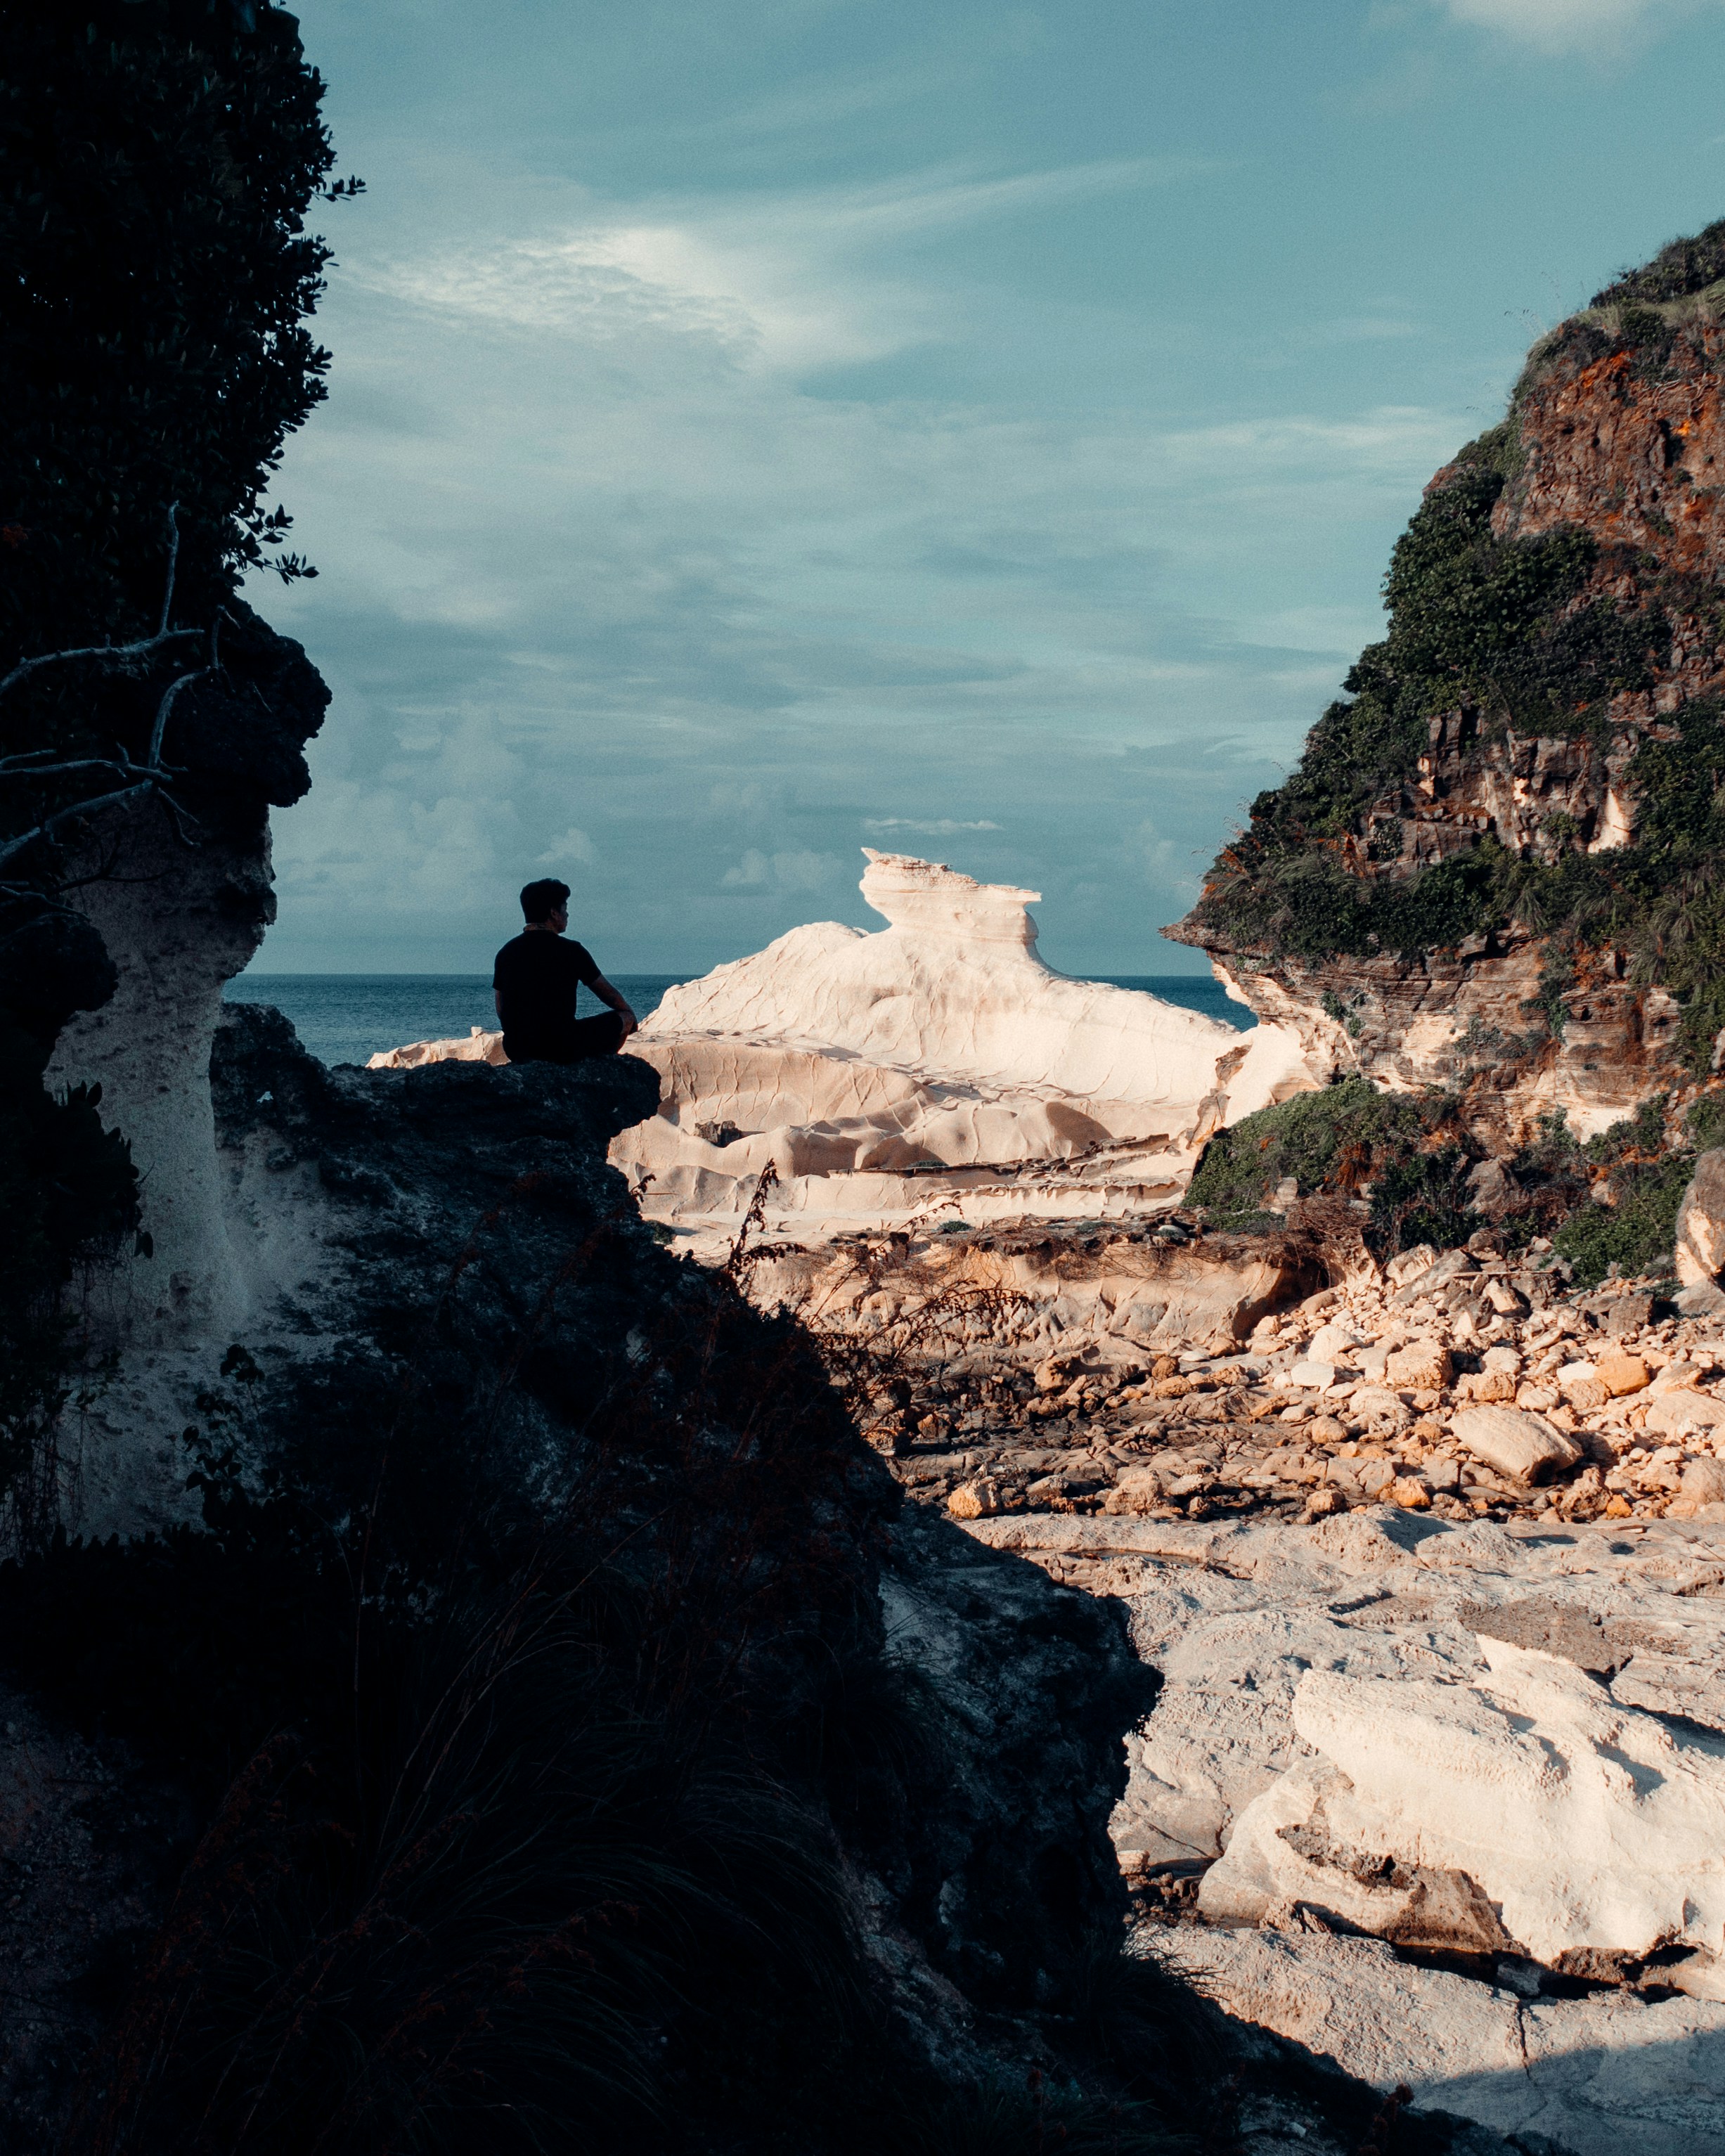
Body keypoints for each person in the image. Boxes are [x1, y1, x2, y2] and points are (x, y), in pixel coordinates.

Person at [492, 879, 639, 1064]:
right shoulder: (572, 950)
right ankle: (602, 1065)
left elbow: (501, 1006)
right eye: (565, 908)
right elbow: (608, 994)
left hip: (516, 1048)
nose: (567, 914)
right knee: (624, 1018)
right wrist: (630, 1014)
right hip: (560, 1046)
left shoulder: (506, 952)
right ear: (554, 913)